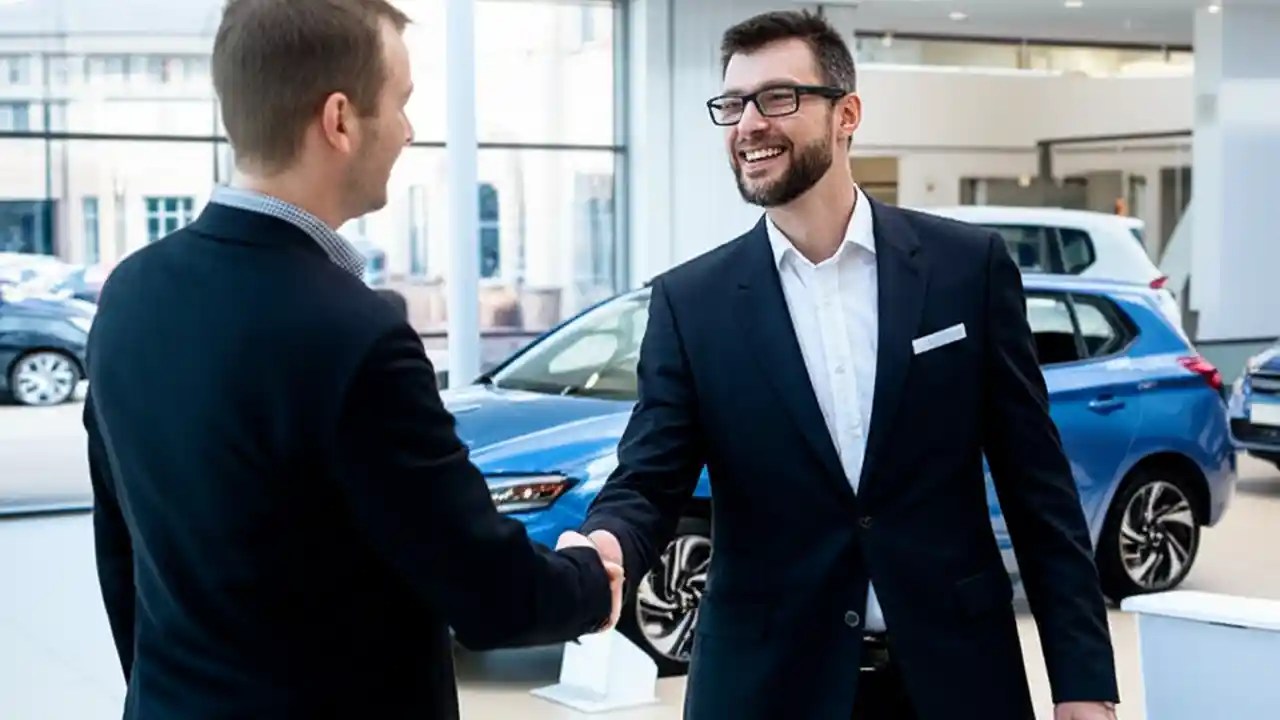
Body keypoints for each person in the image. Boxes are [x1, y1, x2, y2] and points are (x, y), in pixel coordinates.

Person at [561, 10, 1119, 720]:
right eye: (732, 105)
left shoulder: (965, 270)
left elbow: (1039, 490)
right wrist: (606, 542)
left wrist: (1084, 684)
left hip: (956, 681)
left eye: (777, 98)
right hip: (767, 688)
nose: (748, 124)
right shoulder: (689, 305)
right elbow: (648, 478)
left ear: (846, 114)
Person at [83, 1, 621, 718]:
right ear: (339, 120)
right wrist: (591, 579)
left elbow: (121, 553)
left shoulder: (129, 292)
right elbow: (490, 597)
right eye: (400, 103)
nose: (408, 130)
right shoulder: (355, 333)